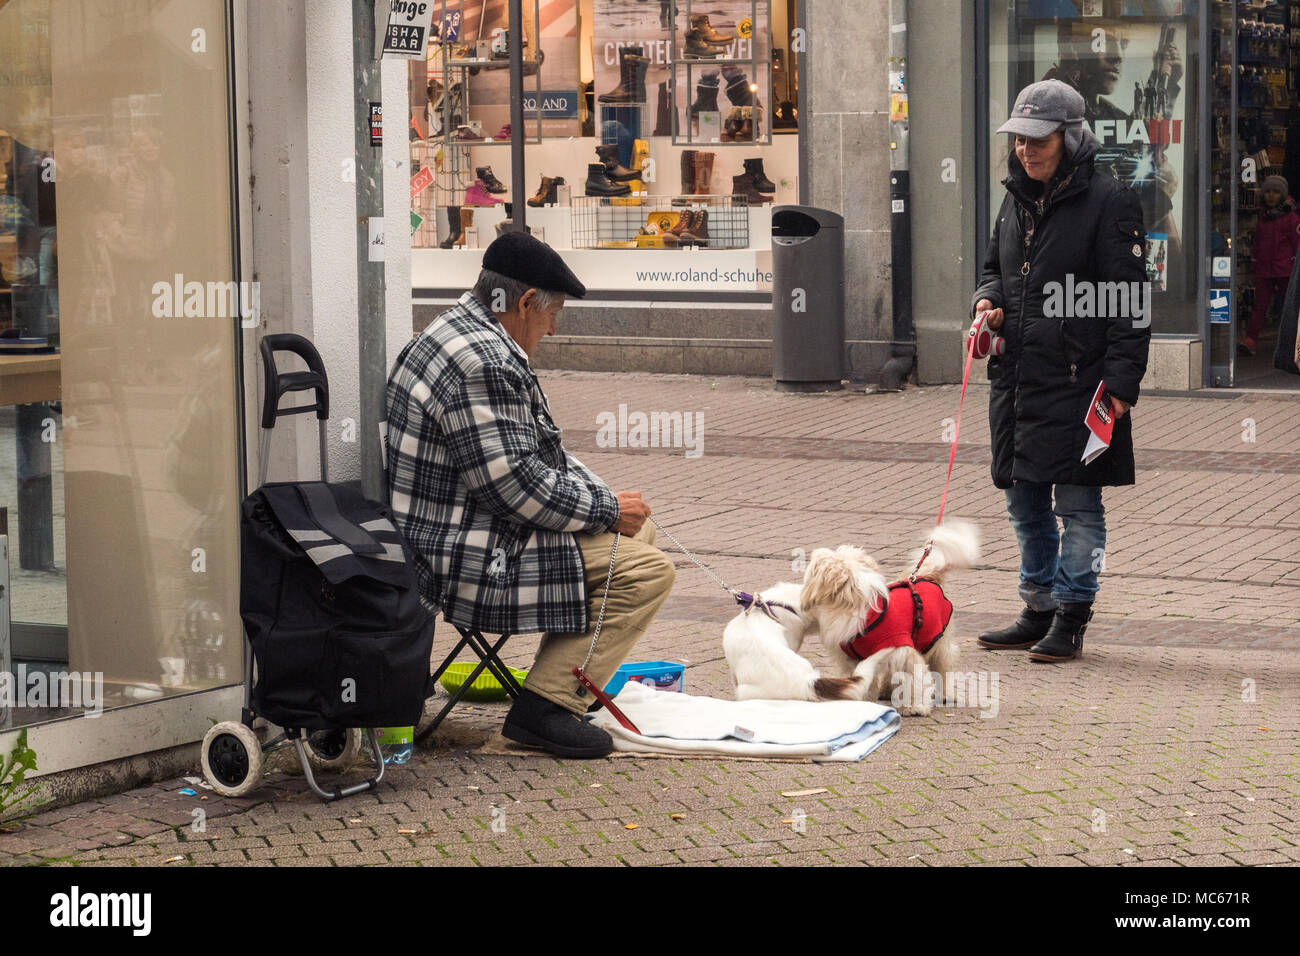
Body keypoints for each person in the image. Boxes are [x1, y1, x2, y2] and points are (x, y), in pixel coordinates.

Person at [385, 231, 675, 757]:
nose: (553, 325)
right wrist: (606, 507)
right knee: (646, 571)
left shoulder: (462, 331)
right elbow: (515, 487)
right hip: (461, 553)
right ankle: (544, 710)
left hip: (464, 527)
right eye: (552, 312)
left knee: (639, 533)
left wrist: (605, 503)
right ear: (522, 302)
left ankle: (560, 685)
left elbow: (537, 457)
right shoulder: (484, 361)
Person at [972, 79, 1151, 662]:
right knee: (1023, 501)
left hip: (1082, 382)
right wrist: (986, 303)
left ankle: (1072, 616)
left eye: (1038, 139)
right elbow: (995, 267)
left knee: (1077, 506)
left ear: (1071, 137)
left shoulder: (1111, 200)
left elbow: (1129, 302)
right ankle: (1038, 605)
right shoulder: (1013, 195)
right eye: (1019, 138)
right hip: (1020, 378)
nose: (1026, 150)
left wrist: (1122, 384)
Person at [1242, 174, 1300, 357]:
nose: (1271, 196)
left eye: (1275, 192)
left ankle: (1295, 343)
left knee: (1291, 307)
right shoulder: (1263, 218)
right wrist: (1255, 262)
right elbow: (1258, 244)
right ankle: (1250, 341)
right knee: (1259, 306)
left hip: (1285, 269)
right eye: (1267, 192)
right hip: (1266, 269)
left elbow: (1296, 242)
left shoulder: (1291, 218)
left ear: (1282, 195)